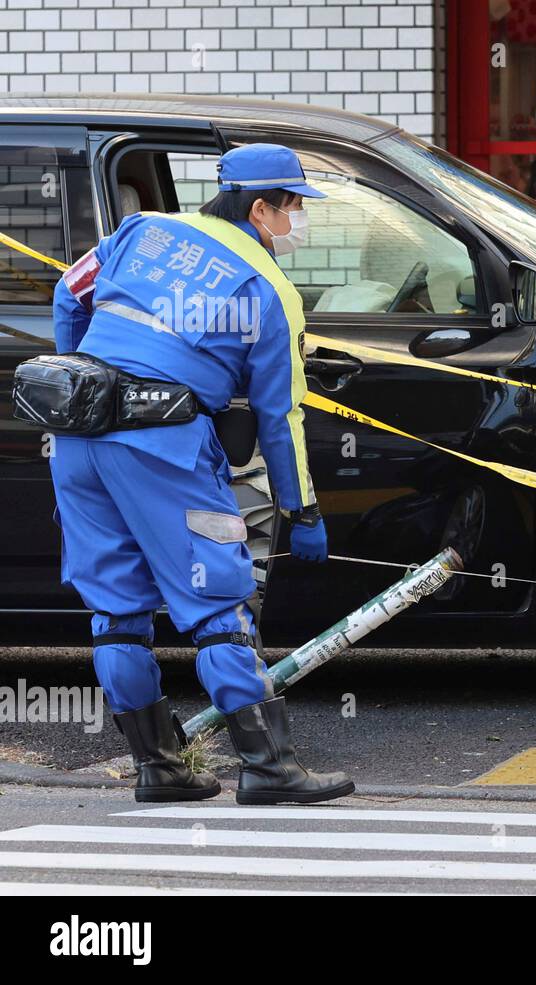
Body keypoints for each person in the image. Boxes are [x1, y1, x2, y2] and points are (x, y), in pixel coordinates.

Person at [47, 143, 353, 805]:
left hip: (77, 439)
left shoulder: (143, 229)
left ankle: (160, 767)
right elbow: (280, 416)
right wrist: (301, 509)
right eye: (294, 207)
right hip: (163, 445)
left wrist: (89, 377)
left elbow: (68, 293)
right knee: (218, 604)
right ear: (261, 207)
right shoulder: (269, 288)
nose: (298, 222)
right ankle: (268, 768)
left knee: (117, 609)